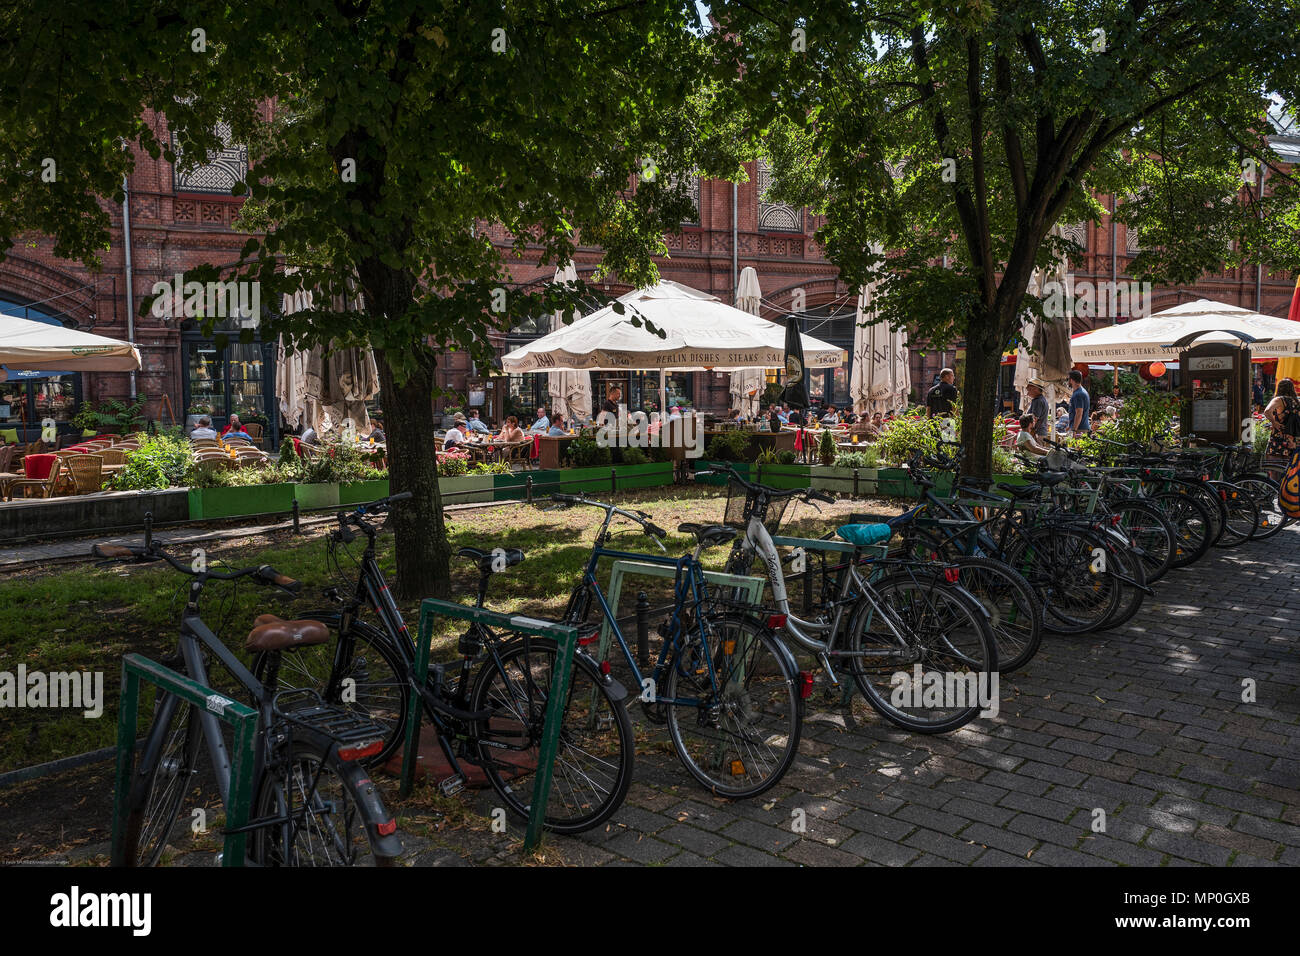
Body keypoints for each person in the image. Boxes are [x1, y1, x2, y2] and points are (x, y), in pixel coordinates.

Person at [1264, 378, 1300, 476]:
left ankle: (1274, 491)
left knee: (1274, 474)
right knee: (1289, 474)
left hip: (1278, 442)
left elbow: (1267, 411)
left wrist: (1274, 422)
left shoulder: (1279, 400)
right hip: (1292, 442)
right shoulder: (1297, 402)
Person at [1067, 368, 1091, 435]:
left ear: (1071, 380)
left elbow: (1079, 413)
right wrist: (1070, 426)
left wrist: (1074, 430)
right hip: (1081, 428)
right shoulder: (1081, 391)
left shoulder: (1078, 394)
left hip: (1080, 429)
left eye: (1068, 379)